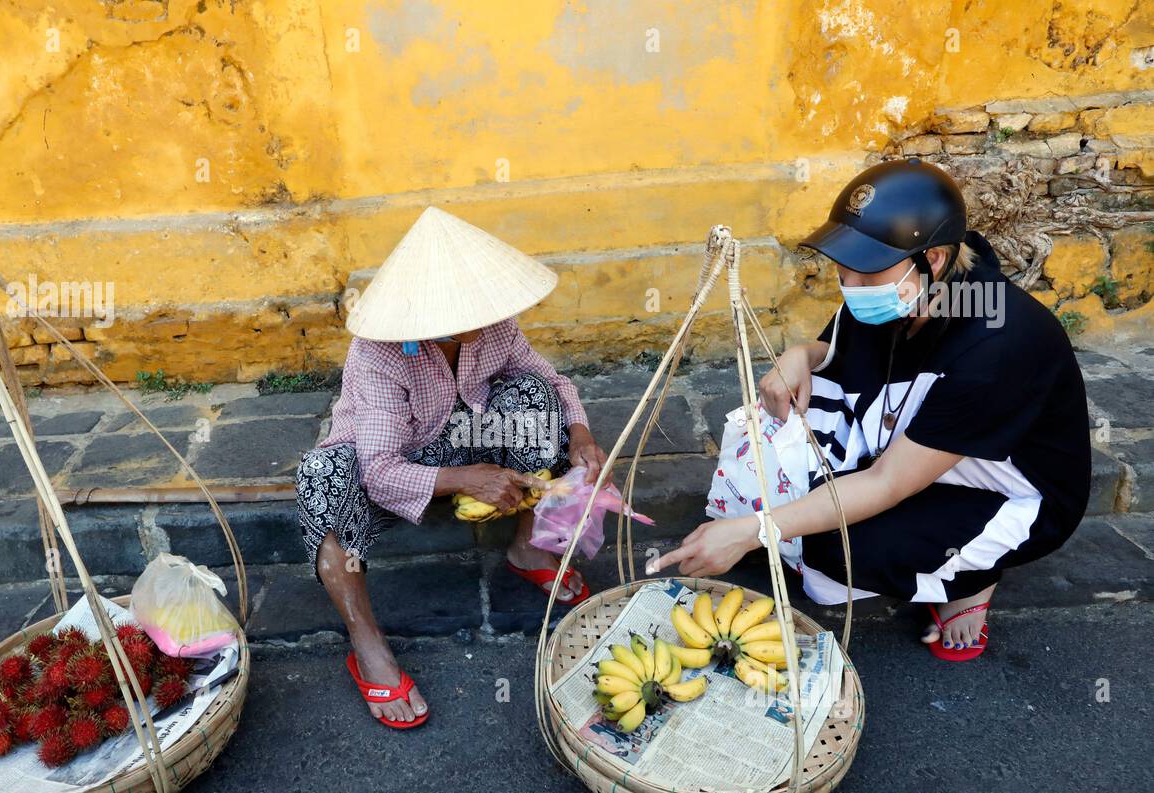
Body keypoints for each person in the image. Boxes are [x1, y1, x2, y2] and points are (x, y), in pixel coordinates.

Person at [651, 159, 1090, 661]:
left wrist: (754, 531)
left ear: (937, 260)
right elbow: (834, 354)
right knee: (784, 465)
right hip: (918, 449)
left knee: (831, 546)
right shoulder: (897, 292)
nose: (850, 284)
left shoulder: (999, 345)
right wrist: (799, 357)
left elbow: (886, 484)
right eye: (844, 265)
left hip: (1005, 491)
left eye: (867, 268)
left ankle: (971, 580)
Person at [297, 207, 606, 728]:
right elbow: (377, 470)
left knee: (533, 396)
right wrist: (467, 478)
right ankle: (367, 642)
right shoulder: (379, 356)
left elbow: (551, 381)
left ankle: (527, 545)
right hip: (390, 463)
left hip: (462, 437)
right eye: (472, 308)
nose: (488, 315)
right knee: (319, 478)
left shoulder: (493, 328)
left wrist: (581, 434)